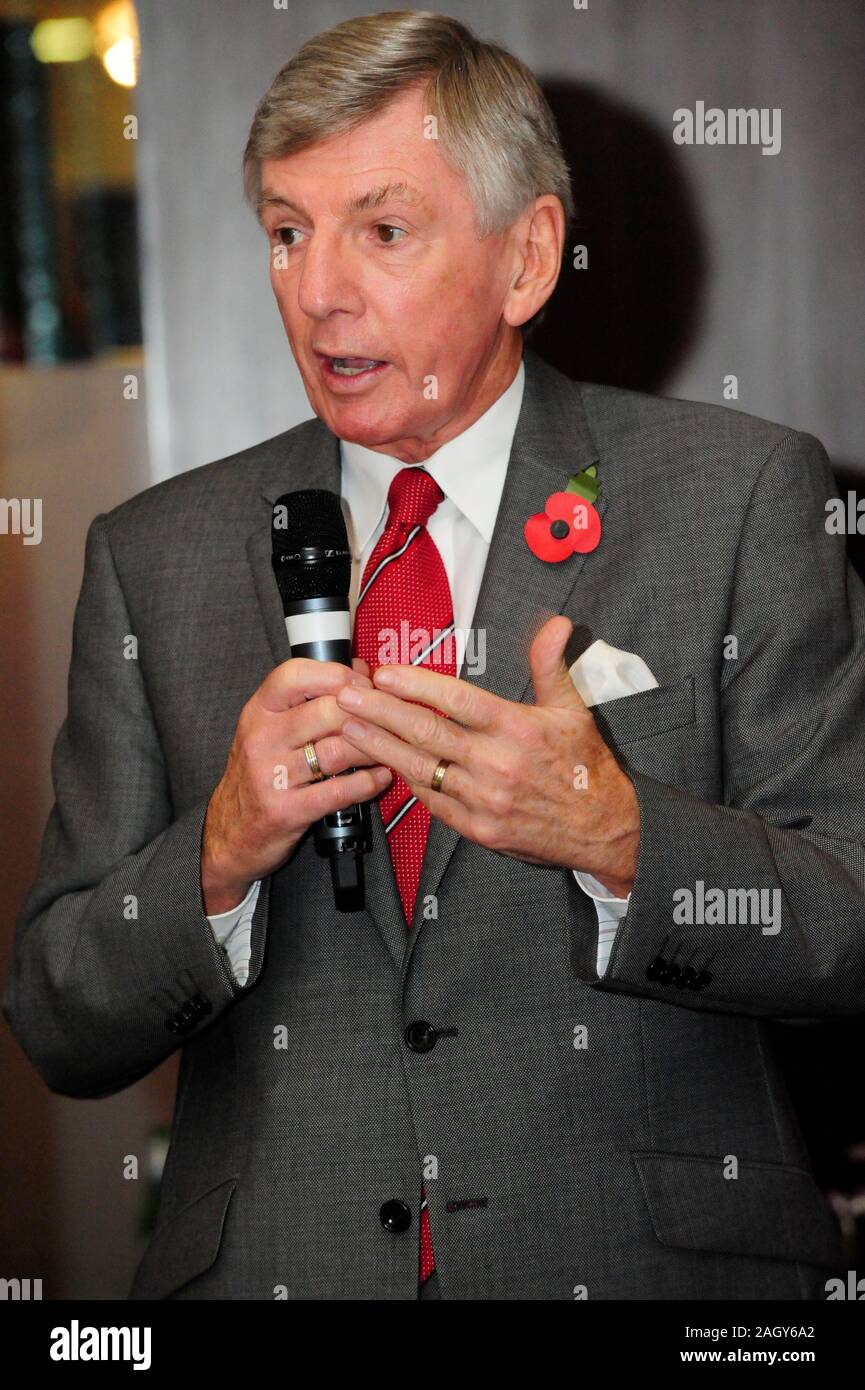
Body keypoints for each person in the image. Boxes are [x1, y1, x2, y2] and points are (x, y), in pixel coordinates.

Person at [4, 10, 864, 1301]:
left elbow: (848, 924)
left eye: (382, 231)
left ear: (525, 259)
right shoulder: (156, 554)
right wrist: (221, 848)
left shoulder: (736, 497)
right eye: (287, 232)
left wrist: (617, 834)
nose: (317, 289)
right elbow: (60, 1018)